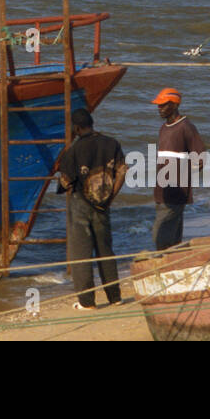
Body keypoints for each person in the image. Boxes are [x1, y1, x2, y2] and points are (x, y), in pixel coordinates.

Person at [57, 108, 124, 308]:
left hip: (80, 204)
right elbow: (121, 172)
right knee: (106, 251)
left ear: (76, 128)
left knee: (81, 255)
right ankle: (115, 298)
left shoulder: (74, 150)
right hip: (103, 204)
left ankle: (87, 303)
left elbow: (66, 182)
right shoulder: (112, 143)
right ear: (92, 123)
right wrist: (111, 197)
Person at [151, 87, 206, 251]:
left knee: (160, 236)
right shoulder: (163, 128)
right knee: (173, 236)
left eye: (163, 105)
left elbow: (200, 158)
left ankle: (163, 266)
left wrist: (183, 178)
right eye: (158, 105)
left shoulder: (186, 127)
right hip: (161, 190)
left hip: (176, 191)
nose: (159, 108)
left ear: (174, 105)